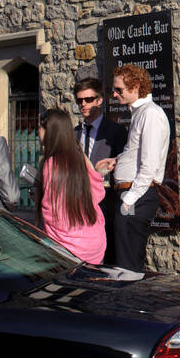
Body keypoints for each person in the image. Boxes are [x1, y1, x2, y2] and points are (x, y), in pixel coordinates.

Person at [96, 65, 169, 279]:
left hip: (137, 195)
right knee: (123, 259)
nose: (115, 94)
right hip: (131, 195)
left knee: (129, 265)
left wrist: (129, 198)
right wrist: (117, 160)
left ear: (135, 87)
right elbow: (136, 152)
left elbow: (149, 165)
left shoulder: (151, 114)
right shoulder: (139, 113)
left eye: (119, 89)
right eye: (114, 89)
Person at [37, 108, 111, 263]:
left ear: (49, 131)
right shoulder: (80, 156)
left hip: (68, 248)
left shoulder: (50, 163)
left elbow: (50, 211)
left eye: (40, 127)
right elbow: (98, 193)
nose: (37, 132)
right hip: (94, 244)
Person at [73, 76, 129, 262]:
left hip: (105, 210)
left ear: (99, 100)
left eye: (88, 99)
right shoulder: (74, 133)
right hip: (78, 214)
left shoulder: (115, 131)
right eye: (79, 100)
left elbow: (123, 171)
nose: (83, 104)